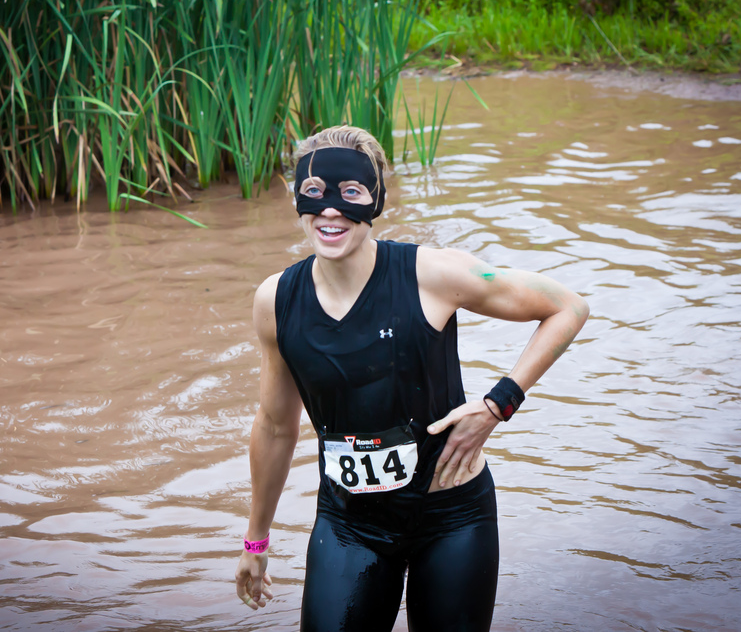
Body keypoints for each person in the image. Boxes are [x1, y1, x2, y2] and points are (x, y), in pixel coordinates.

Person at [234, 125, 589, 631]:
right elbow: (274, 427)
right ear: (298, 198)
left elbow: (568, 307)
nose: (330, 209)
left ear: (376, 198)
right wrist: (255, 541)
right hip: (349, 526)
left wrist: (496, 406)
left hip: (451, 518)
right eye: (314, 192)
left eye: (350, 192)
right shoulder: (277, 300)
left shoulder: (434, 275)